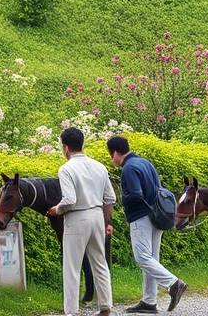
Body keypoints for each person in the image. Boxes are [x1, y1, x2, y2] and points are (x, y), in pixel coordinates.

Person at [107, 135, 187, 313]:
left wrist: (122, 200)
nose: (112, 160)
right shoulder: (145, 163)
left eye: (111, 156)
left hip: (140, 217)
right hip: (157, 216)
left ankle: (173, 284)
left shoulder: (128, 168)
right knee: (152, 258)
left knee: (142, 257)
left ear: (115, 153)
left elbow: (135, 194)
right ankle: (149, 302)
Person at [48, 127, 115, 316]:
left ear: (66, 147)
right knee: (100, 262)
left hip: (77, 218)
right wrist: (106, 220)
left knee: (72, 266)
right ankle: (106, 306)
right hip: (97, 215)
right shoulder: (99, 166)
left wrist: (56, 209)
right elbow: (110, 197)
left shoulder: (66, 169)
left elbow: (69, 200)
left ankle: (71, 311)